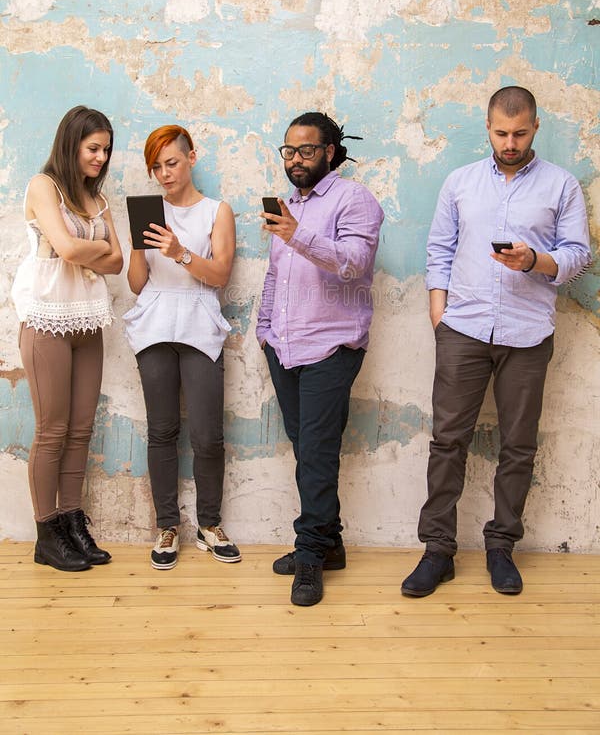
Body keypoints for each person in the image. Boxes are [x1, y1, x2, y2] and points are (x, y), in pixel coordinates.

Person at [401, 86, 591, 598]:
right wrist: (439, 314)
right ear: (487, 127)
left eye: (520, 133)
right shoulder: (460, 183)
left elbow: (578, 256)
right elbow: (439, 250)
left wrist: (534, 260)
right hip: (462, 330)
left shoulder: (561, 185)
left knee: (518, 446)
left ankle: (501, 547)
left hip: (528, 335)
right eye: (502, 133)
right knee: (447, 442)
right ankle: (437, 550)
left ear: (536, 126)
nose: (510, 142)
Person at [257, 111, 384, 606]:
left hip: (331, 346)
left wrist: (296, 234)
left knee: (316, 453)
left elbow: (354, 263)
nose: (295, 160)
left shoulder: (355, 200)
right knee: (307, 450)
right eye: (288, 151)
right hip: (283, 347)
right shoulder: (287, 205)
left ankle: (309, 556)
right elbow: (276, 275)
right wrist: (264, 330)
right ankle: (330, 545)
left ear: (330, 152)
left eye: (306, 150)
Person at [11, 106, 123, 571]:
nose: (101, 157)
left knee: (80, 430)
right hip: (46, 320)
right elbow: (69, 247)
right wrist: (93, 249)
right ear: (71, 143)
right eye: (93, 148)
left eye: (106, 149)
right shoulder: (44, 187)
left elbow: (117, 263)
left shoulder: (97, 198)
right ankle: (46, 532)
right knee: (52, 431)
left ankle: (73, 522)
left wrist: (88, 251)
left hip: (87, 321)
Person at [124, 124, 240, 570]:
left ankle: (210, 525)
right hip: (154, 322)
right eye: (156, 166)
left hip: (198, 320)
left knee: (207, 434)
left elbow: (220, 275)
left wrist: (179, 252)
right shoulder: (148, 211)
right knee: (162, 430)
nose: (164, 173)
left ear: (192, 157)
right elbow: (137, 285)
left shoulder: (217, 211)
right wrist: (141, 242)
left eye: (171, 162)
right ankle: (167, 527)